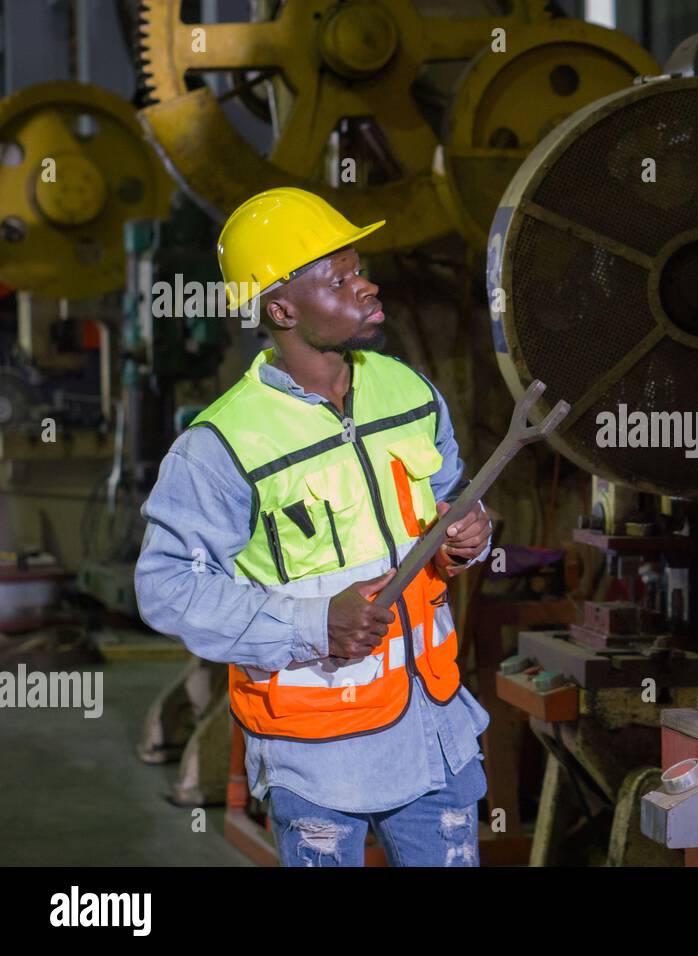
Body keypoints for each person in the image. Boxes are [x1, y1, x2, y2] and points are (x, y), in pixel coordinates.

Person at [134, 187, 493, 867]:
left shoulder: (409, 393)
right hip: (319, 758)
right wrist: (309, 623)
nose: (367, 286)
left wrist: (473, 536)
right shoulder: (223, 445)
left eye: (360, 269)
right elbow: (166, 588)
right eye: (341, 279)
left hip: (433, 735)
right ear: (282, 309)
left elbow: (454, 504)